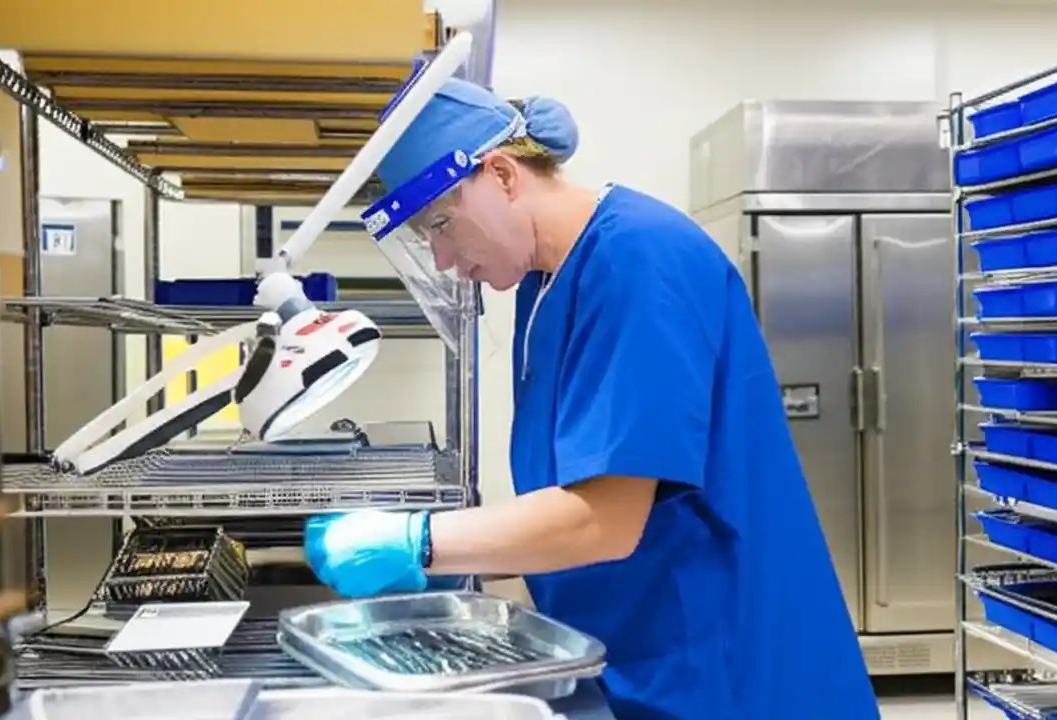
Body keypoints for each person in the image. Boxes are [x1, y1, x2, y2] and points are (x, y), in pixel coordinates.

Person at [303, 78, 879, 719]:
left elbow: (603, 517)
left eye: (441, 225)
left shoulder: (639, 258)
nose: (441, 258)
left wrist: (418, 540)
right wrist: (444, 555)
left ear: (502, 175)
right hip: (640, 649)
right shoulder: (544, 283)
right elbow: (569, 490)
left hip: (721, 667)